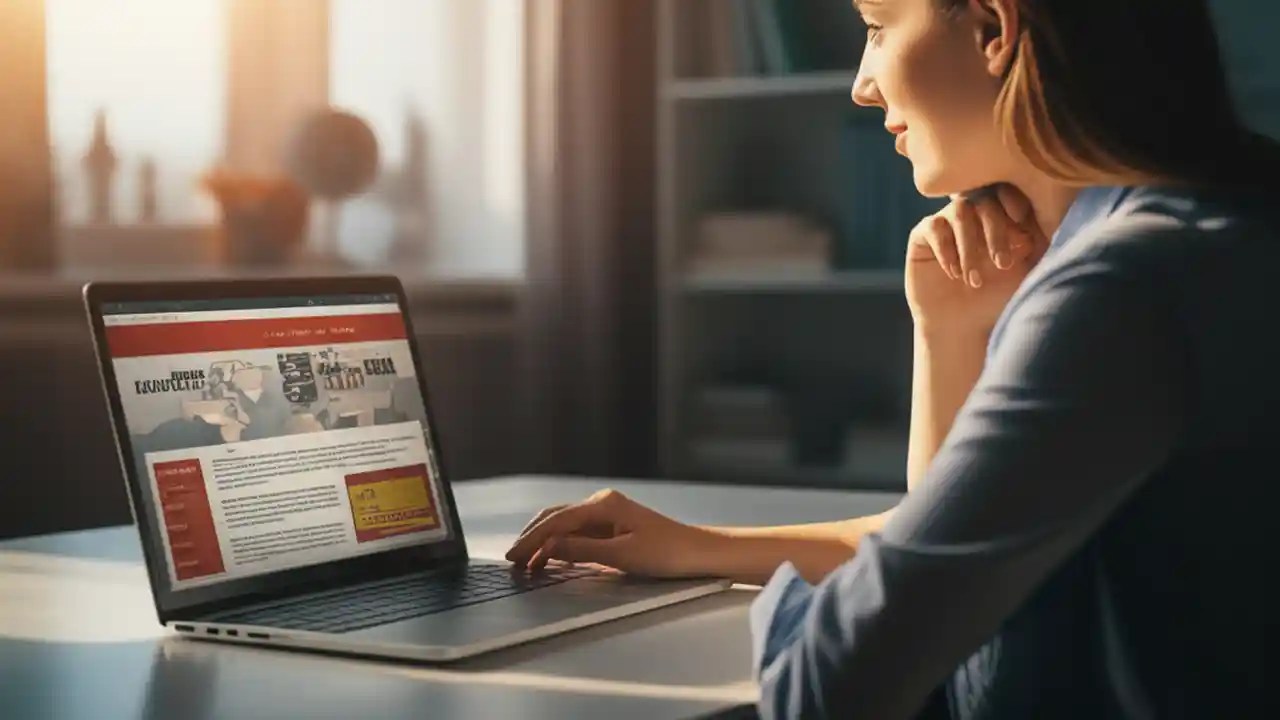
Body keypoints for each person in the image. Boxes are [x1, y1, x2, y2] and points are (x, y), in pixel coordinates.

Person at [507, 0, 1278, 717]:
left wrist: (784, 607)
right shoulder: (1226, 227)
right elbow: (955, 546)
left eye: (878, 26)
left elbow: (830, 687)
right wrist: (701, 549)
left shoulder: (1122, 293)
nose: (862, 87)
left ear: (991, 30)